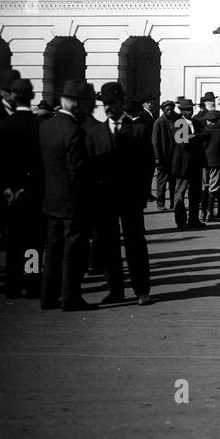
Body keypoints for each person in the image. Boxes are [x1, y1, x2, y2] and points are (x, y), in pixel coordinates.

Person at [87, 82, 154, 306]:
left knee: (135, 244)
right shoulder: (95, 133)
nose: (109, 108)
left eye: (112, 103)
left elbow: (148, 164)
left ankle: (142, 290)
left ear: (121, 102)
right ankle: (115, 289)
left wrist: (143, 190)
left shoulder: (138, 129)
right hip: (104, 199)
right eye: (105, 104)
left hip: (131, 197)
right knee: (109, 244)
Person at [0, 77, 44, 300]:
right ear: (32, 97)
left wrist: (8, 187)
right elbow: (40, 164)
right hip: (33, 194)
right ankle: (32, 282)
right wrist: (27, 187)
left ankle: (12, 285)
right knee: (33, 243)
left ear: (13, 97)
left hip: (5, 194)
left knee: (12, 241)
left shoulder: (0, 126)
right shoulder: (40, 126)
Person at [39, 78, 98, 312]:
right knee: (73, 253)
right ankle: (71, 297)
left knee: (52, 251)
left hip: (51, 200)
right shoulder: (74, 131)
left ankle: (48, 297)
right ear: (77, 104)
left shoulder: (46, 126)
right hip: (73, 203)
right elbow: (78, 172)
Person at [170, 98, 205, 228]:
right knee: (180, 193)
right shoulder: (178, 122)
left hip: (195, 163)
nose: (189, 112)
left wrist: (194, 137)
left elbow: (206, 135)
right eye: (186, 110)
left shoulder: (196, 122)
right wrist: (197, 138)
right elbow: (183, 143)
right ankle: (180, 220)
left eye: (190, 109)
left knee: (195, 193)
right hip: (182, 164)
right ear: (182, 111)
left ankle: (193, 219)